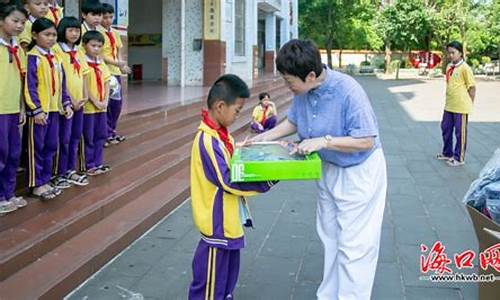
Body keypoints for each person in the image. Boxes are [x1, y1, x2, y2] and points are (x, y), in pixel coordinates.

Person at [252, 39, 387, 300]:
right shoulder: (304, 92)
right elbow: (292, 122)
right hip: (329, 167)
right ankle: (329, 295)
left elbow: (366, 139)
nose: (287, 87)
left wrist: (324, 141)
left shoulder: (349, 91)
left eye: (290, 82)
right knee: (331, 238)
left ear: (311, 75)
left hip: (359, 172)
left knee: (355, 245)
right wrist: (261, 139)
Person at [188, 74, 276, 300]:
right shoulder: (207, 140)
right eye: (237, 110)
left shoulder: (219, 135)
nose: (238, 115)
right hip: (217, 225)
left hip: (228, 223)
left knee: (226, 284)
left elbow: (227, 162)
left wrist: (240, 151)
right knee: (209, 287)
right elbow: (227, 180)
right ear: (219, 106)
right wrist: (265, 180)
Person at [24, 18, 72, 200]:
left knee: (51, 145)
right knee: (37, 147)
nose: (51, 38)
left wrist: (65, 103)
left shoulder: (57, 57)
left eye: (53, 35)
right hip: (39, 112)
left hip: (54, 110)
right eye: (47, 35)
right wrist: (36, 109)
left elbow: (63, 84)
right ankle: (36, 184)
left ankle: (46, 179)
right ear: (35, 35)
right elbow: (30, 86)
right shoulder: (32, 57)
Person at [52, 16, 89, 188]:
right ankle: (59, 172)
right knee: (63, 138)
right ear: (62, 31)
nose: (74, 34)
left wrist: (84, 96)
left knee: (75, 136)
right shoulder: (57, 50)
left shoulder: (80, 51)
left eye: (77, 30)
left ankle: (70, 170)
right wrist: (70, 99)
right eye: (70, 30)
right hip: (64, 104)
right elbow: (59, 79)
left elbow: (84, 75)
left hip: (80, 103)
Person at [0, 3, 28, 214]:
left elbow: (21, 79)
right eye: (15, 21)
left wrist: (20, 107)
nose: (19, 26)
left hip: (12, 109)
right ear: (1, 21)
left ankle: (9, 193)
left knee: (12, 153)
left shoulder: (18, 49)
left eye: (22, 22)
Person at [436, 41, 476, 167]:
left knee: (460, 133)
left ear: (460, 53)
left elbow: (472, 88)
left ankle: (459, 158)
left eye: (453, 52)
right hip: (449, 105)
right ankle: (447, 153)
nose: (451, 55)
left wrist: (469, 103)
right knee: (445, 128)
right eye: (449, 53)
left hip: (461, 107)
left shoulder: (465, 68)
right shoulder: (449, 67)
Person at [81, 30, 111, 175]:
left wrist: (105, 101)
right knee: (89, 136)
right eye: (93, 45)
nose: (96, 49)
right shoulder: (82, 62)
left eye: (99, 46)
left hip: (102, 107)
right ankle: (89, 164)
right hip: (89, 107)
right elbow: (85, 85)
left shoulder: (101, 63)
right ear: (84, 45)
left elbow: (106, 82)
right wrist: (95, 101)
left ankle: (98, 162)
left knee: (100, 135)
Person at [101, 3, 130, 147]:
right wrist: (116, 63)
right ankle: (106, 133)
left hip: (116, 71)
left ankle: (111, 130)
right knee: (108, 104)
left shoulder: (115, 33)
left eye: (110, 17)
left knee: (117, 105)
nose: (108, 20)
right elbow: (100, 55)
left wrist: (122, 65)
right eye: (105, 17)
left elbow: (118, 51)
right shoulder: (97, 33)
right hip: (105, 72)